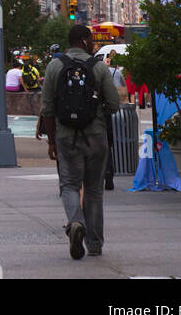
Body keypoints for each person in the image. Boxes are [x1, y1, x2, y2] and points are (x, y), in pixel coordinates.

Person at [40, 23, 121, 260]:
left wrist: (52, 142)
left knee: (70, 184)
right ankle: (94, 243)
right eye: (92, 39)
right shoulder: (98, 67)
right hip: (95, 136)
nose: (94, 43)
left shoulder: (55, 66)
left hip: (66, 137)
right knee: (94, 189)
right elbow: (114, 104)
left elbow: (47, 108)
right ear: (84, 41)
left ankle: (75, 222)